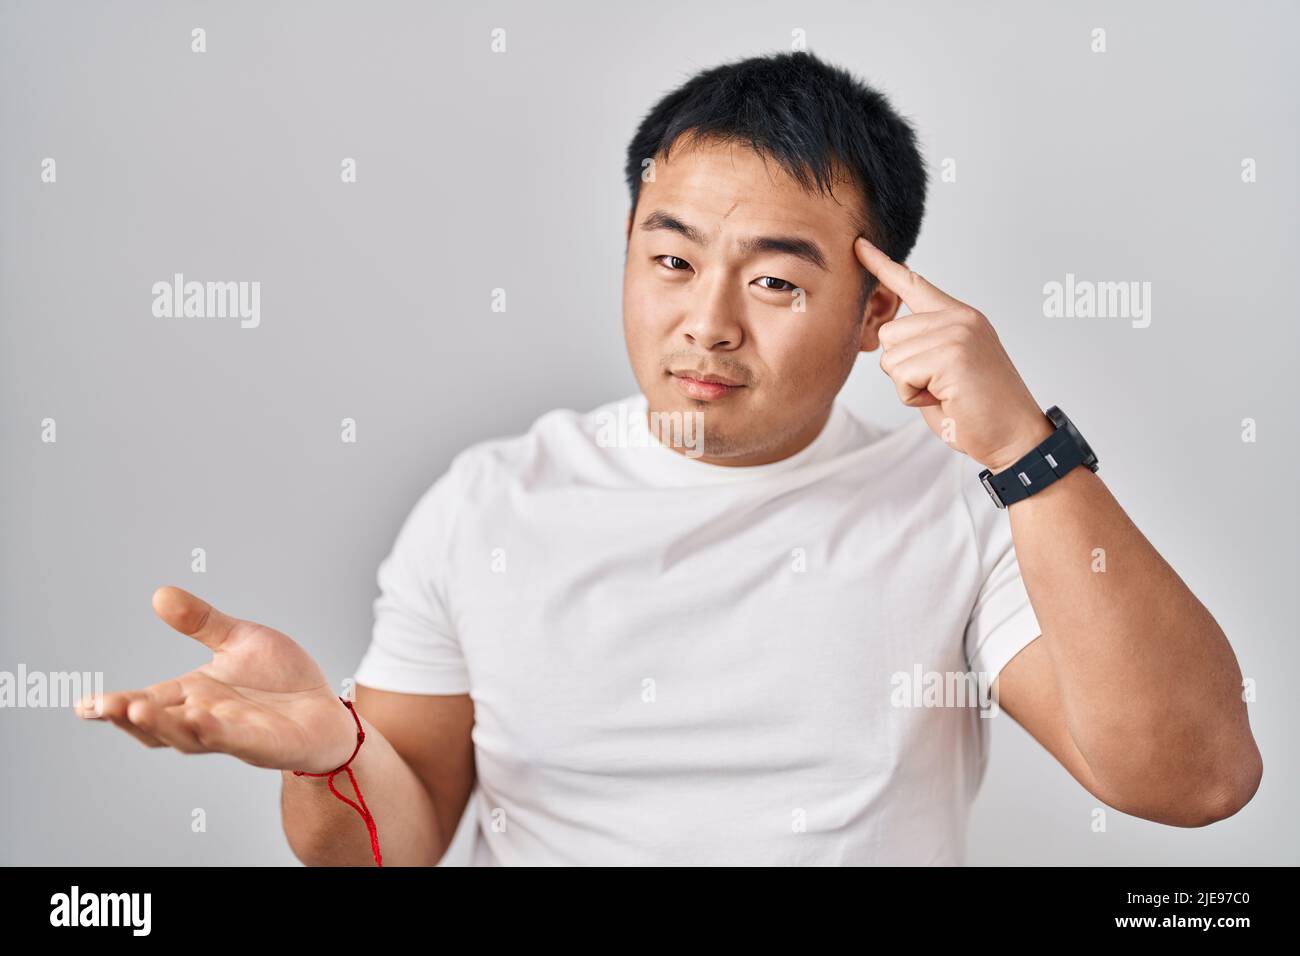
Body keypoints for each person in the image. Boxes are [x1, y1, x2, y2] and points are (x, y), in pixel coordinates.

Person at [75, 50, 1262, 866]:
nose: (708, 322)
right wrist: (332, 752)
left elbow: (1191, 780)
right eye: (673, 258)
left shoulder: (961, 504)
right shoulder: (491, 499)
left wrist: (1024, 448)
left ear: (874, 312)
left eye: (778, 279)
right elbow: (403, 835)